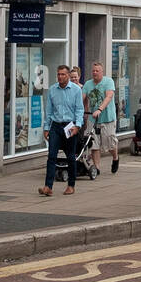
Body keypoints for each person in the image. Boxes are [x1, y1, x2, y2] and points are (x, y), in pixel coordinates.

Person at [40, 65, 84, 197]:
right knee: (51, 156)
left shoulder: (76, 90)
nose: (60, 77)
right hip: (56, 126)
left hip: (70, 126)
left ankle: (71, 185)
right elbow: (48, 110)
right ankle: (48, 186)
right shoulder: (53, 90)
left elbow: (79, 109)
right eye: (58, 74)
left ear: (68, 76)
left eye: (63, 74)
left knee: (70, 157)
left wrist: (77, 126)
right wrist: (46, 128)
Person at [83, 61, 119, 174]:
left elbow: (109, 97)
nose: (94, 73)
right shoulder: (88, 84)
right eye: (93, 71)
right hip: (93, 119)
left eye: (97, 71)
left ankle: (115, 158)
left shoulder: (108, 82)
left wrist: (99, 109)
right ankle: (97, 168)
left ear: (102, 72)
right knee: (94, 144)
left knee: (110, 144)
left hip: (107, 118)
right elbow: (82, 98)